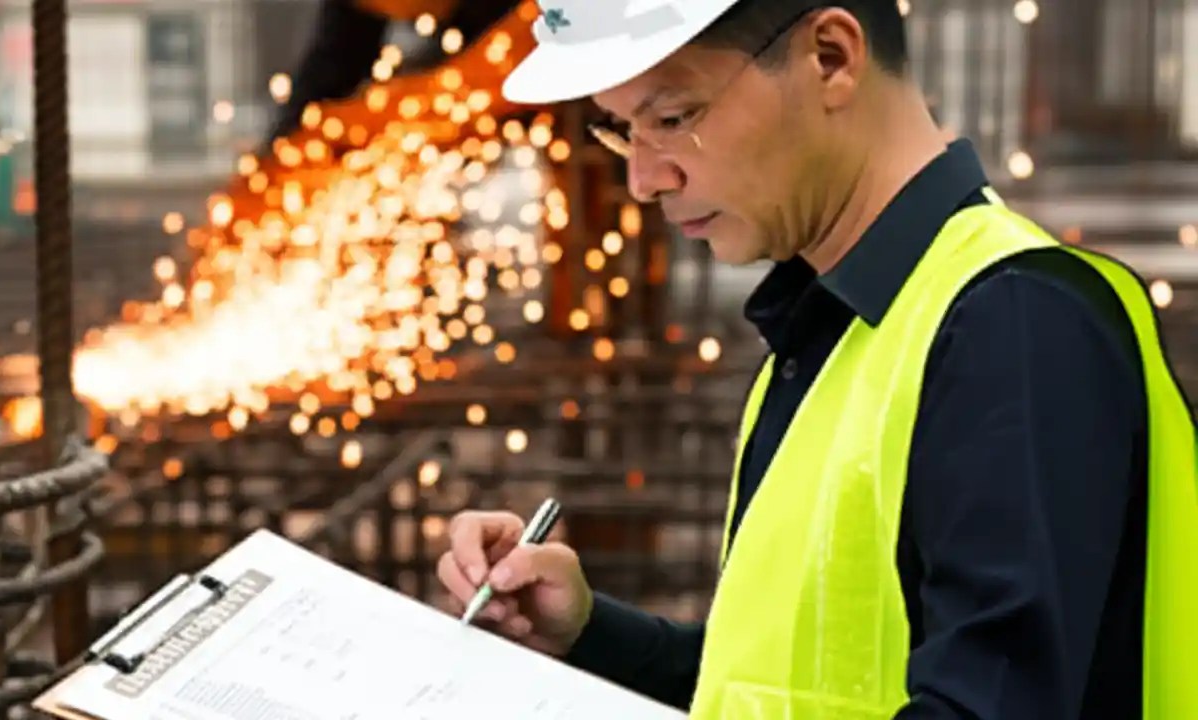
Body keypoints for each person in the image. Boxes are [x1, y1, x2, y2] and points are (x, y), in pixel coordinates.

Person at [435, 1, 1198, 717]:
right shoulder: (837, 337)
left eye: (672, 117)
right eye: (621, 130)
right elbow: (795, 689)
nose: (645, 178)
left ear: (831, 57)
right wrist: (591, 633)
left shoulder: (1015, 329)